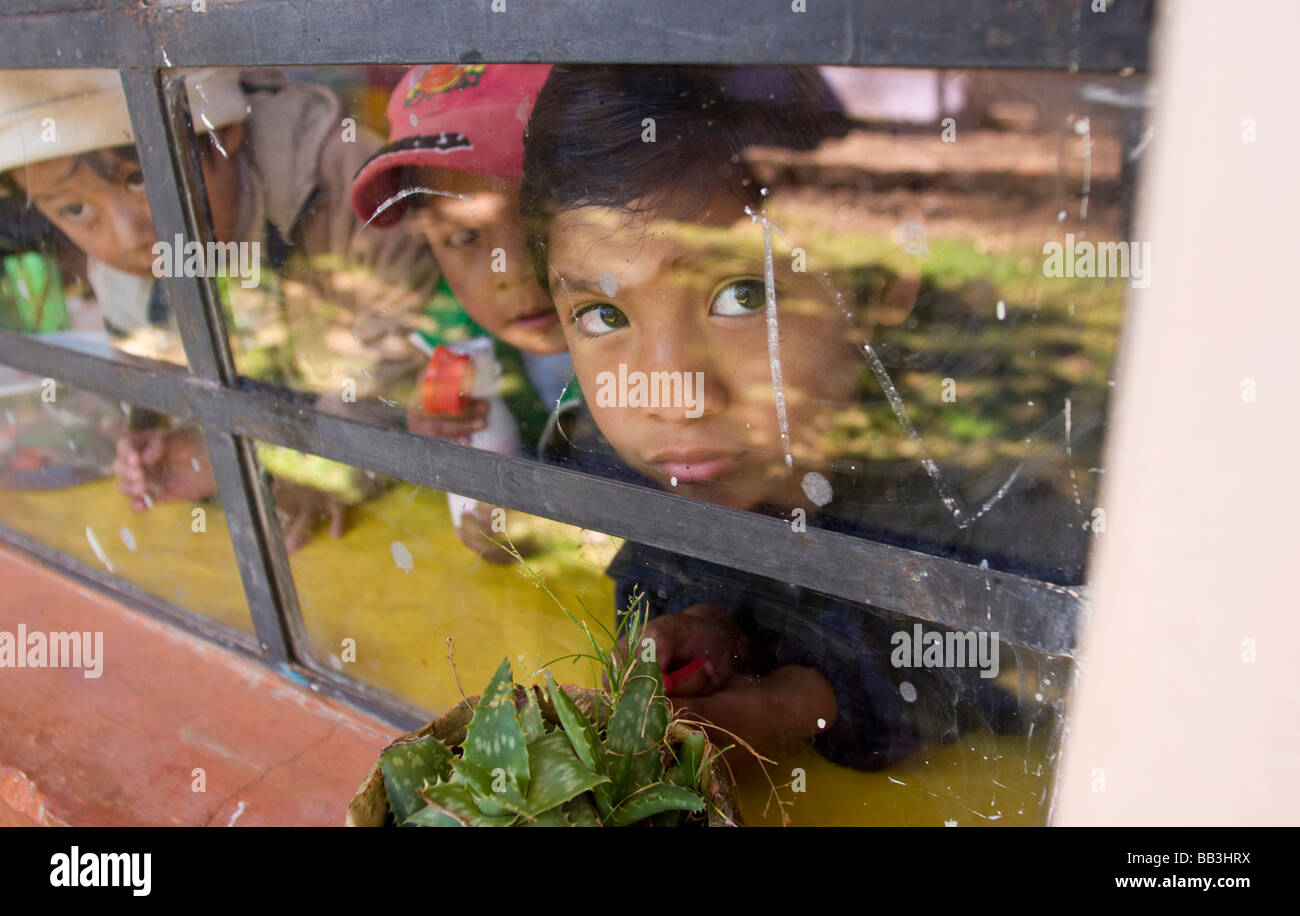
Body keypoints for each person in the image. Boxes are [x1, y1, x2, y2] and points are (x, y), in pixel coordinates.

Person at [520, 65, 1026, 770]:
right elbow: (681, 566)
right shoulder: (666, 473)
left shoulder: (972, 469)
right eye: (604, 315)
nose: (672, 398)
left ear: (882, 276)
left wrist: (801, 701)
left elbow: (1016, 670)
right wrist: (714, 624)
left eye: (743, 295)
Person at [0, 67, 439, 550]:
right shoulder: (134, 256)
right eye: (74, 211)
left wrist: (308, 472)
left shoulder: (349, 183)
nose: (128, 237)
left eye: (139, 181)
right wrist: (165, 444)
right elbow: (155, 380)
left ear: (225, 132)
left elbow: (392, 377)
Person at [350, 63, 573, 560]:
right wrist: (435, 441)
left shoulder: (655, 350)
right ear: (428, 242)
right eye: (465, 237)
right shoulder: (452, 339)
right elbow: (446, 457)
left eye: (540, 216)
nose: (513, 273)